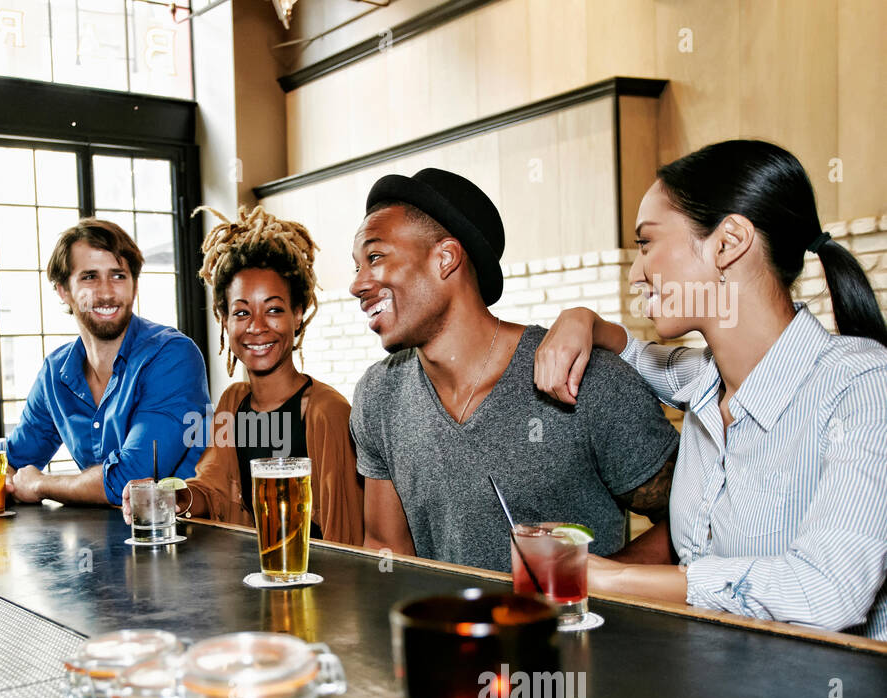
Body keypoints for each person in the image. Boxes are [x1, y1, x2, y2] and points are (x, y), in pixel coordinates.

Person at [534, 140, 887, 639]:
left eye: (647, 243)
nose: (636, 274)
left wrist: (609, 576)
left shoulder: (864, 387)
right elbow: (634, 353)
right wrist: (580, 320)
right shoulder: (703, 379)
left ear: (727, 243)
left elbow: (827, 591)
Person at [348, 167, 680, 571]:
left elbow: (691, 526)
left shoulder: (588, 380)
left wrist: (591, 585)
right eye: (357, 266)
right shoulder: (378, 396)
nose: (357, 284)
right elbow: (387, 549)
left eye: (375, 257)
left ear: (445, 258)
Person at [121, 206, 364, 544]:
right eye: (241, 312)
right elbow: (213, 491)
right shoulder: (233, 403)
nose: (257, 326)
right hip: (255, 583)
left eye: (274, 309)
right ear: (224, 320)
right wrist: (174, 498)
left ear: (298, 313)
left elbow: (348, 539)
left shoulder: (326, 412)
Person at [0, 219, 209, 511]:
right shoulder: (56, 372)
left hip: (185, 534)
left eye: (118, 276)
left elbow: (133, 478)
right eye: (90, 277)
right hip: (107, 541)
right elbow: (8, 464)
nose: (106, 292)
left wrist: (41, 484)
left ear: (134, 285)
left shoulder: (172, 356)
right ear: (63, 290)